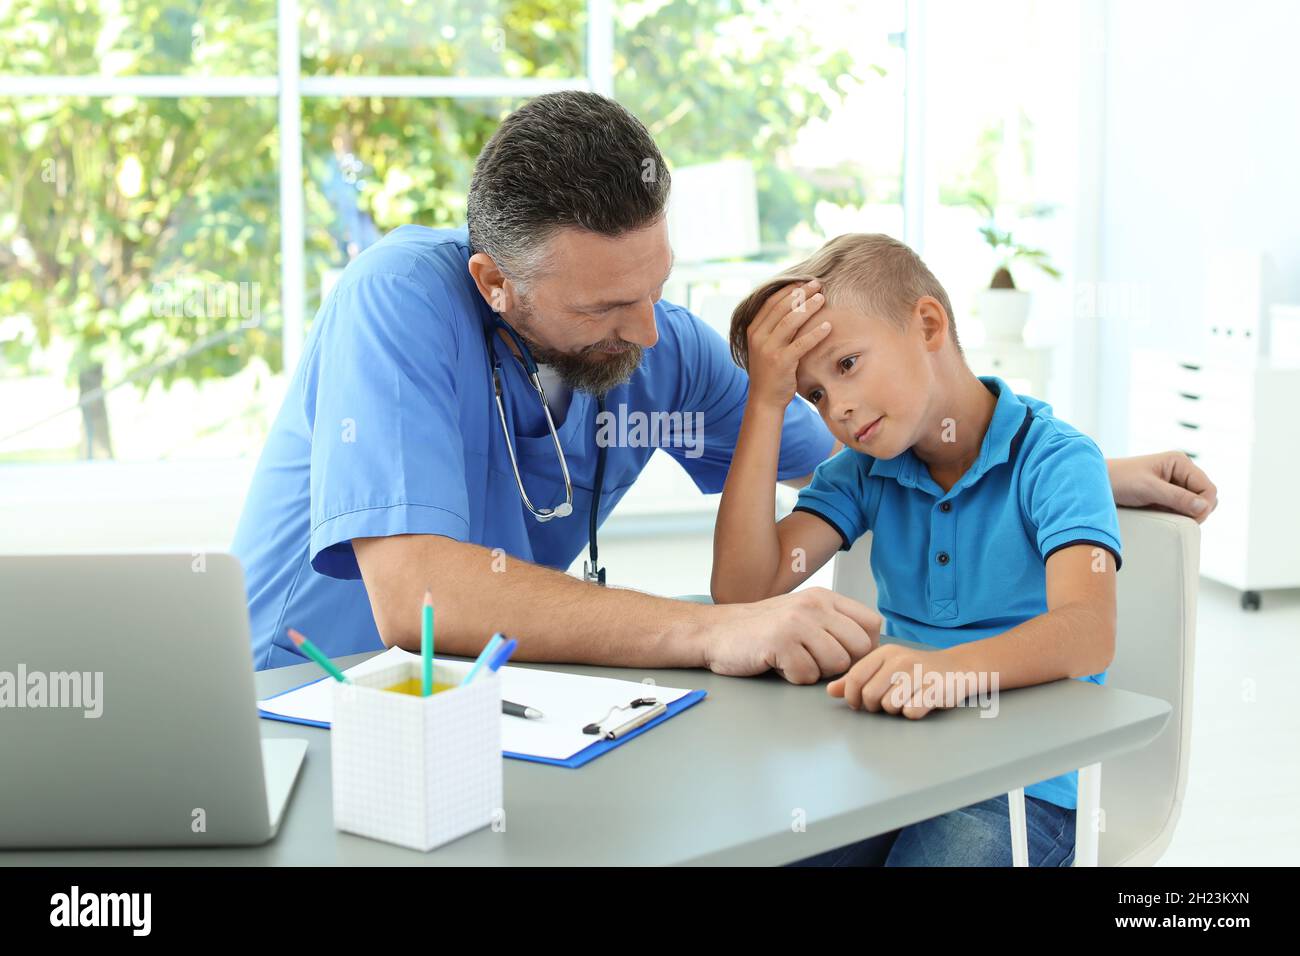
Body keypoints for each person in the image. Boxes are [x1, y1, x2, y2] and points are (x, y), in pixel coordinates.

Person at [232, 90, 1217, 685]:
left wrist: (1073, 461)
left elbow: (866, 444)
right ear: (496, 283)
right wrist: (713, 628)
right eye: (607, 308)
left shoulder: (652, 341)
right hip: (308, 701)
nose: (649, 332)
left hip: (492, 701)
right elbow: (418, 598)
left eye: (657, 288)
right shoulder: (398, 298)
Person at [712, 233, 1124, 865]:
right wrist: (766, 402)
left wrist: (943, 672)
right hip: (890, 762)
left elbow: (1088, 632)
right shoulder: (863, 471)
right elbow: (743, 590)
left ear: (928, 323)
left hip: (1020, 784)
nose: (839, 409)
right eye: (814, 395)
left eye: (846, 365)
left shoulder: (1057, 461)